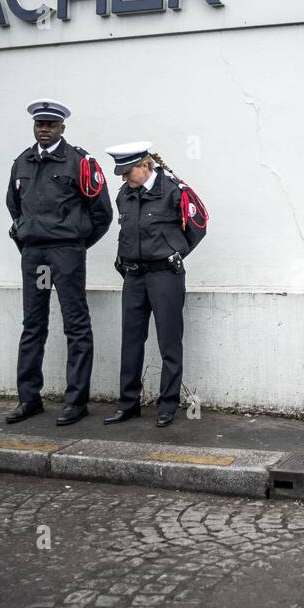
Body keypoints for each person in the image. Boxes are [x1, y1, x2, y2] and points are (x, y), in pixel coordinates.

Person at [4, 99, 113, 425]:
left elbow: (102, 213)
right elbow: (15, 206)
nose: (45, 130)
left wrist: (76, 242)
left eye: (51, 125)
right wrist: (27, 236)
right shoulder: (22, 162)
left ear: (62, 127)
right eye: (40, 124)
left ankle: (76, 402)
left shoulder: (79, 162)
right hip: (35, 255)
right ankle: (29, 398)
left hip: (66, 253)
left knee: (75, 324)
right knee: (33, 325)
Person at [103, 142, 209, 428]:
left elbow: (198, 225)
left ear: (145, 166)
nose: (124, 178)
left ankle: (167, 404)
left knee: (169, 342)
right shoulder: (125, 194)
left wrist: (174, 251)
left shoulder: (174, 191)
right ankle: (128, 404)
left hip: (165, 275)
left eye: (127, 171)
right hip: (134, 277)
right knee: (131, 341)